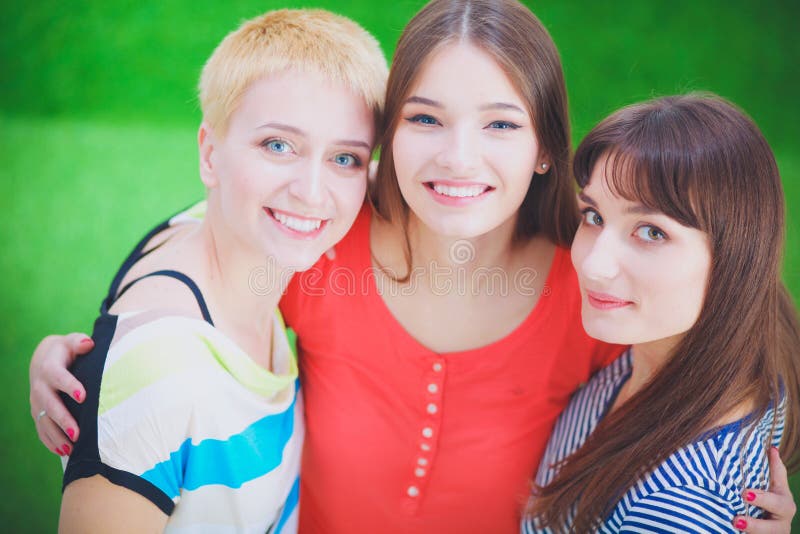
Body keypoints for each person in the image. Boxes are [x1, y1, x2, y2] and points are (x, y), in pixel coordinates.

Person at [28, 1, 796, 532]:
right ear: (389, 137)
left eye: (500, 124)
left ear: (543, 153)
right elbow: (209, 231)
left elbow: (718, 347)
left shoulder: (594, 289)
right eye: (425, 119)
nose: (457, 158)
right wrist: (107, 336)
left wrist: (747, 496)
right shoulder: (326, 242)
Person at [53, 9, 387, 533]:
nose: (313, 191)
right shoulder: (160, 373)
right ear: (210, 155)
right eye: (278, 145)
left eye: (344, 158)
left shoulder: (217, 229)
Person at [523, 94, 800, 532]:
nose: (594, 265)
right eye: (593, 215)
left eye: (651, 231)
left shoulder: (675, 506)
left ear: (737, 259)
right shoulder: (738, 338)